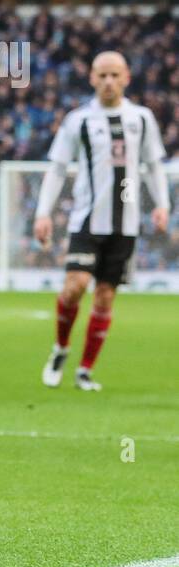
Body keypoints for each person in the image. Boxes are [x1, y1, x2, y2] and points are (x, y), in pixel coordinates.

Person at [34, 51, 170, 391]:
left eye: (115, 75)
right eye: (102, 75)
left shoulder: (141, 118)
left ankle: (84, 370)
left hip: (125, 224)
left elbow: (153, 166)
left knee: (106, 296)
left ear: (126, 77)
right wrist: (43, 212)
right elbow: (57, 168)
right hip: (86, 220)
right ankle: (61, 348)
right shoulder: (78, 120)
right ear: (92, 78)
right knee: (75, 287)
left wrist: (162, 205)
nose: (109, 81)